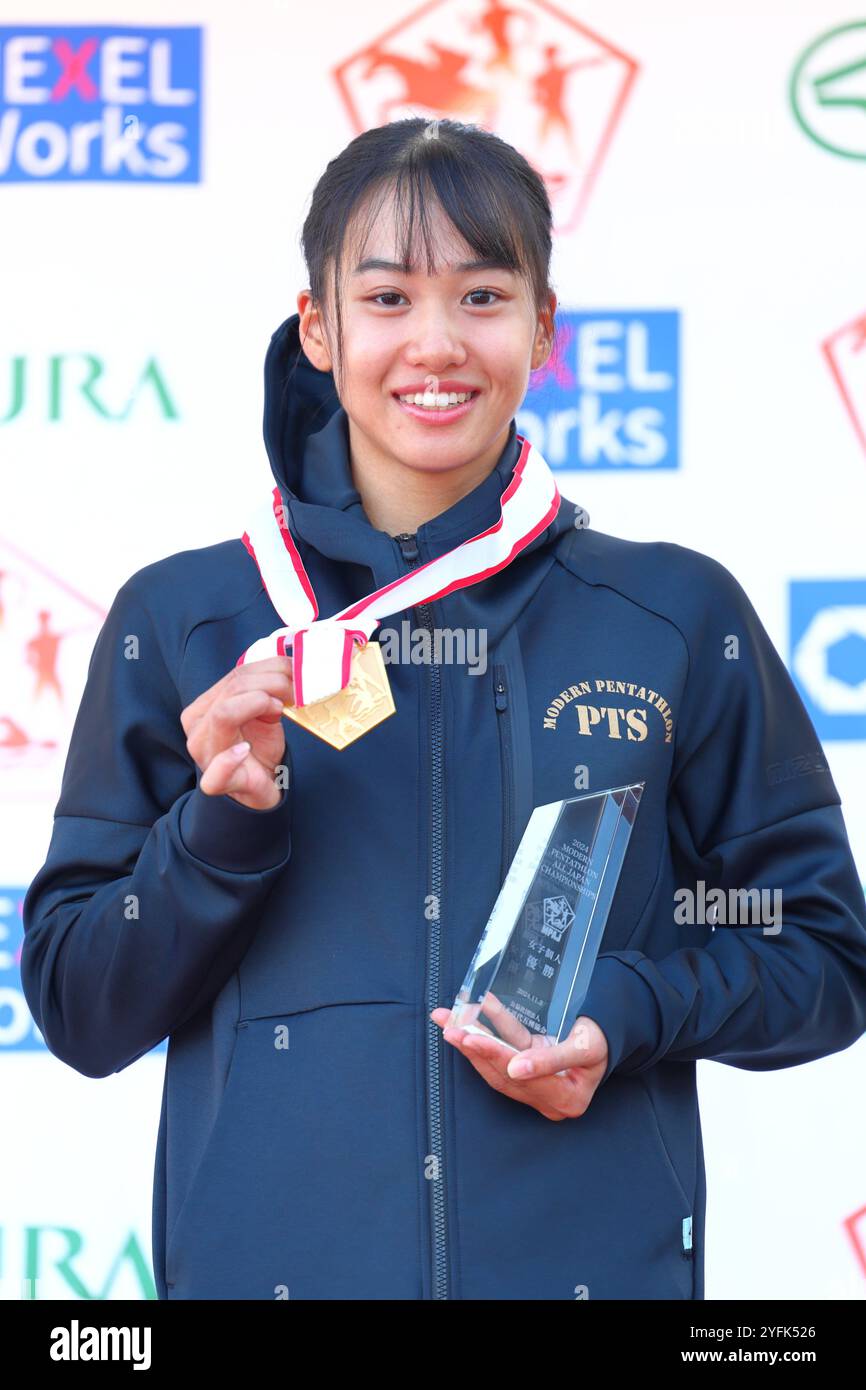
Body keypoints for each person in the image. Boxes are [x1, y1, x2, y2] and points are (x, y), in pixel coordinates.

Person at [21, 117, 866, 1302]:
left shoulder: (670, 614)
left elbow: (817, 952)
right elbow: (78, 1006)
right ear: (316, 328)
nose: (434, 344)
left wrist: (621, 1008)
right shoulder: (190, 621)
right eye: (385, 298)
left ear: (541, 328)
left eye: (480, 295)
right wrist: (215, 829)